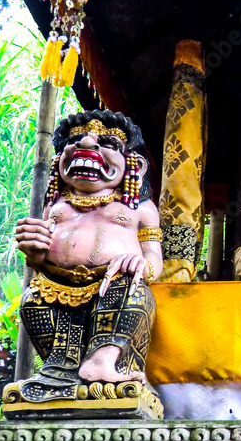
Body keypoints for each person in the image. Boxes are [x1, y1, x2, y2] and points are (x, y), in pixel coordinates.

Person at [13, 110, 163, 403]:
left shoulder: (140, 209)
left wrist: (143, 266)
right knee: (31, 300)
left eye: (106, 142)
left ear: (135, 165)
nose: (88, 143)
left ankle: (103, 362)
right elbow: (38, 260)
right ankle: (59, 372)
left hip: (113, 285)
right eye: (75, 140)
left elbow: (153, 256)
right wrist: (34, 254)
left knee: (132, 293)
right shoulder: (56, 207)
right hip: (55, 286)